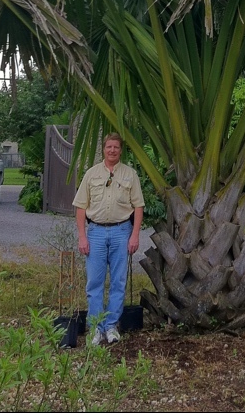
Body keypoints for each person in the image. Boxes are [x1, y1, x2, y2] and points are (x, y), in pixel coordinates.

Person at [73, 132, 145, 345]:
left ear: (120, 150)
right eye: (108, 147)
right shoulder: (92, 174)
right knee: (94, 282)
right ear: (103, 149)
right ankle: (96, 327)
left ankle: (112, 325)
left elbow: (138, 206)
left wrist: (135, 235)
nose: (112, 150)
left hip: (121, 231)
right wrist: (82, 236)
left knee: (118, 281)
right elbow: (80, 207)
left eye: (116, 147)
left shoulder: (129, 174)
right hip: (95, 232)